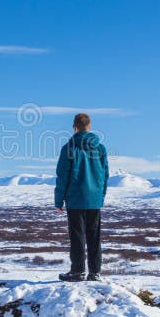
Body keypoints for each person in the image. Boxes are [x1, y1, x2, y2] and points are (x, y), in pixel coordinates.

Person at [54, 113, 109, 282]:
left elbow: (63, 175)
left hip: (76, 198)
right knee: (94, 237)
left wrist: (59, 200)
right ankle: (95, 272)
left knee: (78, 236)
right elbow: (105, 174)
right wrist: (100, 197)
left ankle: (77, 271)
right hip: (94, 200)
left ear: (74, 127)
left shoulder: (70, 147)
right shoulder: (100, 148)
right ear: (89, 126)